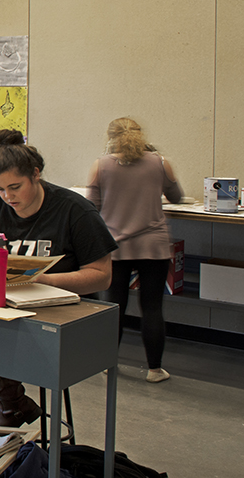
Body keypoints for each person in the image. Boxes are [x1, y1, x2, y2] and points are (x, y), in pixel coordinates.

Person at [0, 129, 116, 426]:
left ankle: (3, 397)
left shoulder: (74, 210)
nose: (8, 197)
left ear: (36, 174)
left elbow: (101, 277)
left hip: (56, 315)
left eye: (15, 187)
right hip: (3, 309)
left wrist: (42, 281)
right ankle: (9, 400)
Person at [85, 117, 184, 383]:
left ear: (110, 137)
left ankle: (108, 364)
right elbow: (176, 197)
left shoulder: (100, 166)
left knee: (113, 306)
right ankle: (154, 370)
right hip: (154, 246)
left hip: (115, 246)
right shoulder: (161, 163)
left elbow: (90, 207)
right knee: (152, 307)